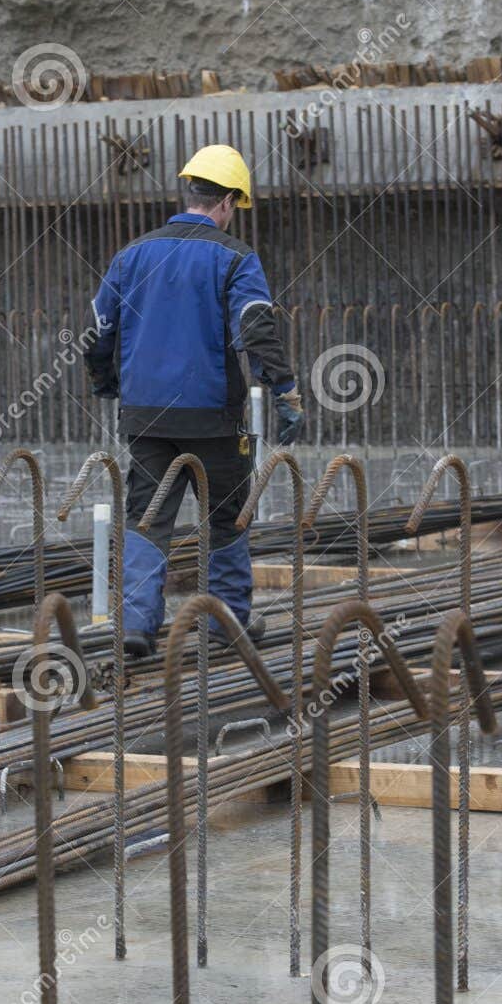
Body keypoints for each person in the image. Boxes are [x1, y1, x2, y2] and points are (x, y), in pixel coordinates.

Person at [84, 143, 303, 659]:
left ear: (191, 193)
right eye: (236, 207)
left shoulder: (130, 255)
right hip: (213, 419)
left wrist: (105, 382)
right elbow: (255, 326)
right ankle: (226, 624)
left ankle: (137, 626)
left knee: (147, 517)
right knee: (226, 517)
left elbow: (97, 333)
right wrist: (285, 390)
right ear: (227, 201)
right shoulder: (235, 257)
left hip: (146, 416)